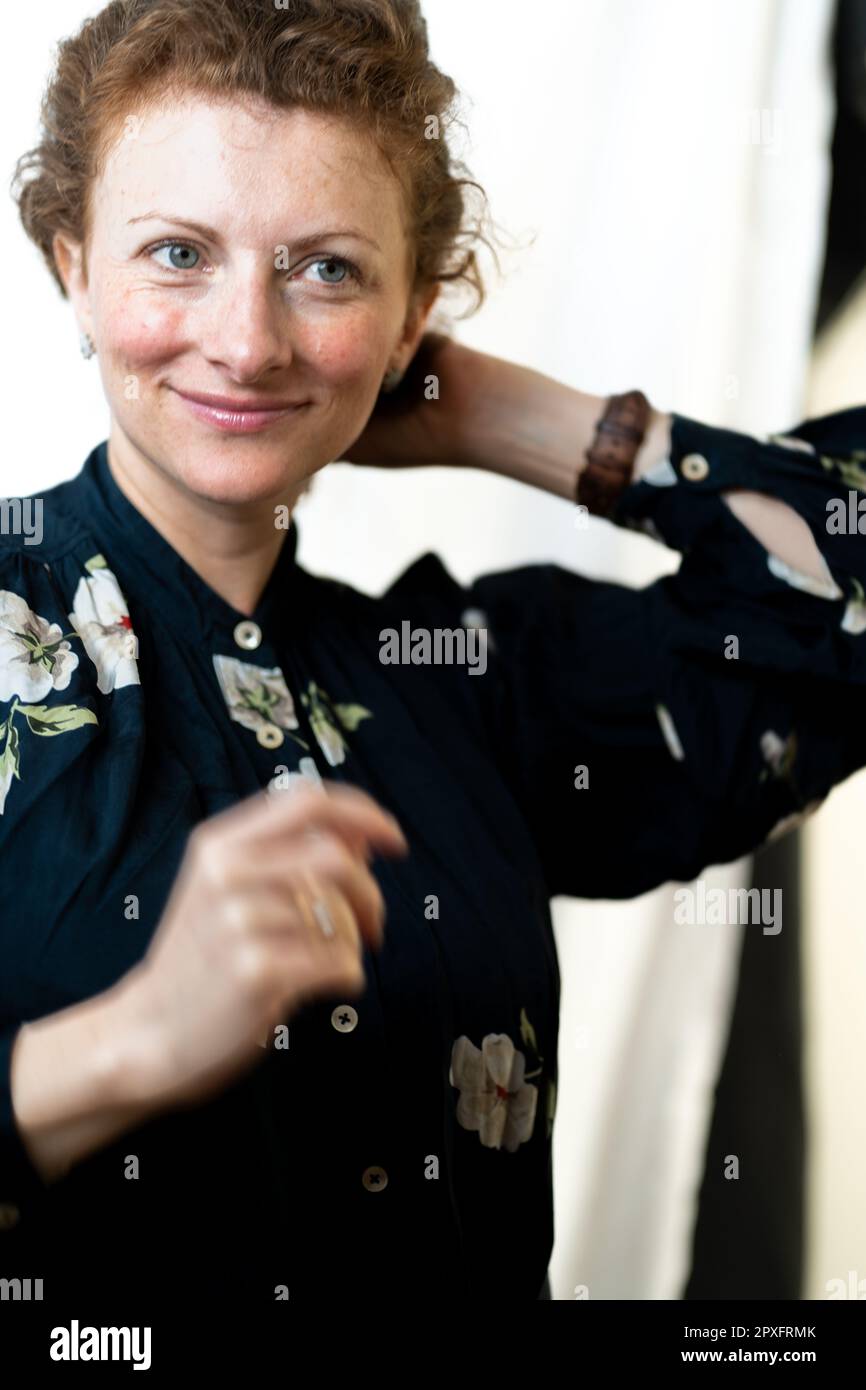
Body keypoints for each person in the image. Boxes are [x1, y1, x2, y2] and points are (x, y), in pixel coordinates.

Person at [1, 0, 864, 1307]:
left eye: (327, 270)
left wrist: (504, 417)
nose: (245, 339)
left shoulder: (462, 681)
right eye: (176, 252)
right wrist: (129, 1041)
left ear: (413, 322)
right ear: (73, 267)